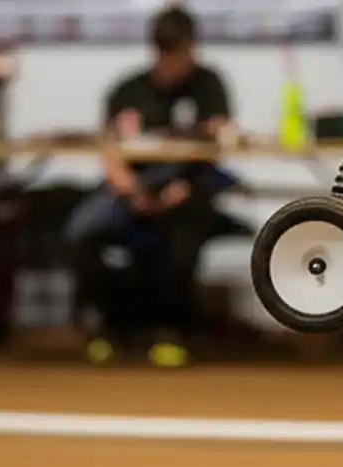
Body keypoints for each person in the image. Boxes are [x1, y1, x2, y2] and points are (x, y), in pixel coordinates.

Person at [66, 6, 235, 368]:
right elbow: (110, 152)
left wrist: (181, 188)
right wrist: (131, 191)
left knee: (181, 234)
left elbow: (218, 146)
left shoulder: (208, 85)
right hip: (131, 187)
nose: (174, 64)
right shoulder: (128, 91)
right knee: (83, 230)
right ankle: (109, 327)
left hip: (187, 186)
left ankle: (168, 330)